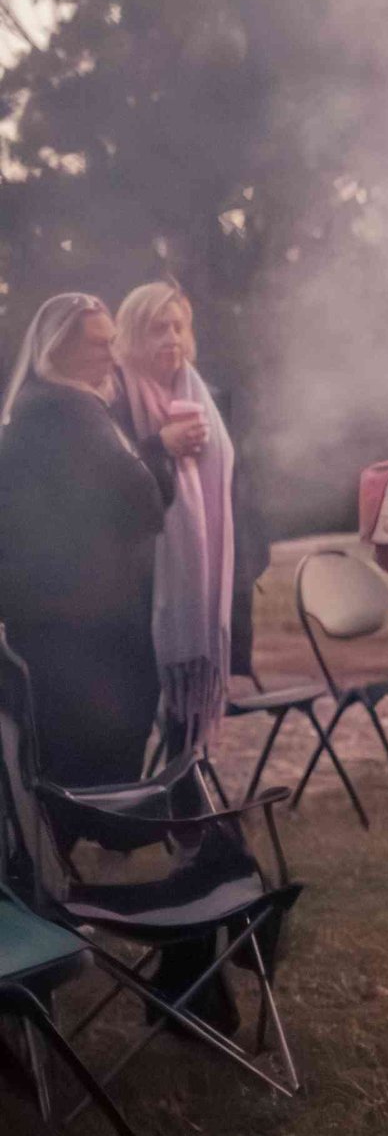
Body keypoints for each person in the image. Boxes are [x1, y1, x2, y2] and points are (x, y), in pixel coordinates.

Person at [0, 295, 174, 787]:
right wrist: (161, 453)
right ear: (56, 349)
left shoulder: (61, 408)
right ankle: (65, 847)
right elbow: (142, 504)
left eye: (112, 342)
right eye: (97, 345)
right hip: (79, 617)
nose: (111, 356)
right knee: (86, 743)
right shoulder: (65, 412)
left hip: (70, 611)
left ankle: (69, 848)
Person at [111, 283, 236, 757]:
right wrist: (162, 444)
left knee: (188, 713)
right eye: (156, 329)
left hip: (199, 578)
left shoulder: (201, 392)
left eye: (178, 327)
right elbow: (110, 481)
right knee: (136, 709)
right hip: (137, 576)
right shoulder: (115, 393)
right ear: (130, 335)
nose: (171, 339)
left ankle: (188, 810)